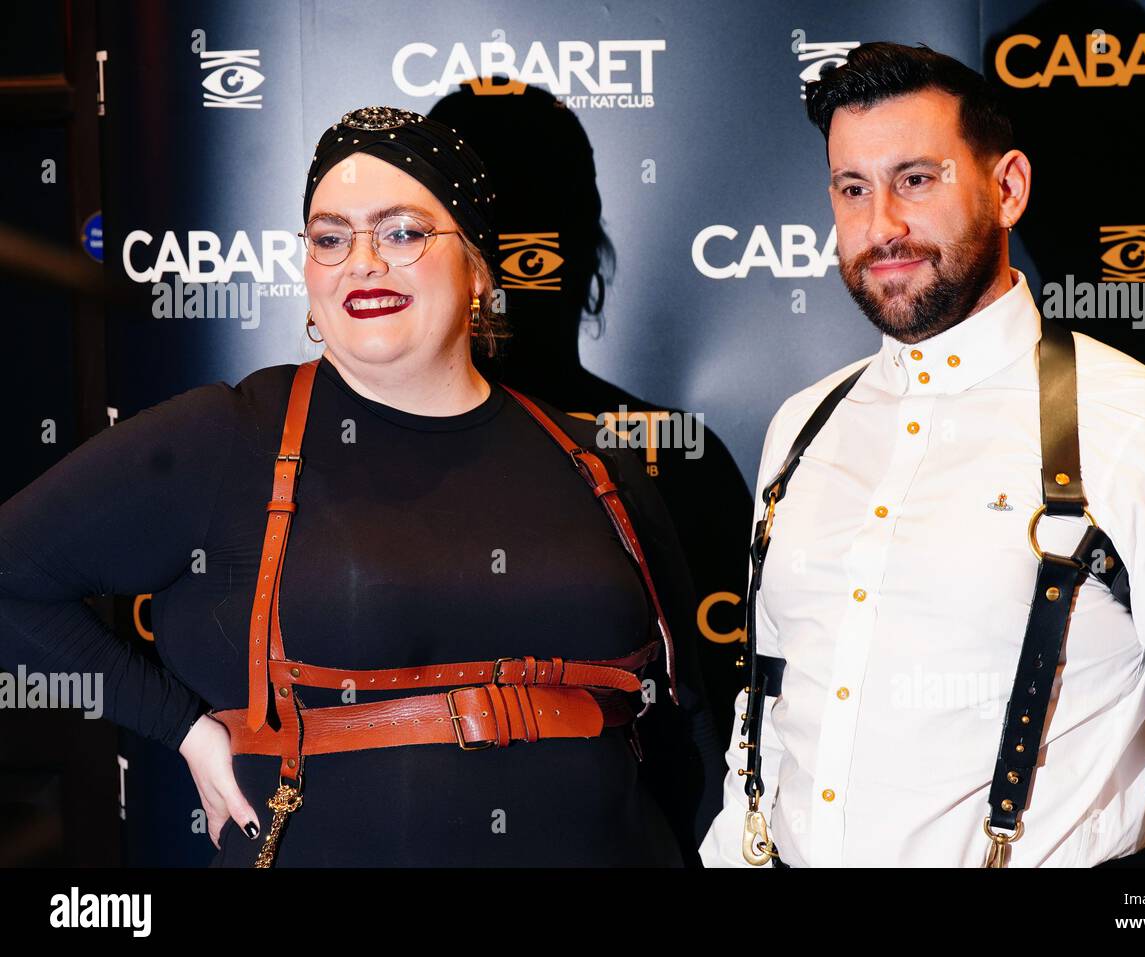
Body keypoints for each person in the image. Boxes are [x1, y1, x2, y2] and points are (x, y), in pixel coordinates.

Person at [0, 105, 720, 867]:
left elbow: (690, 727)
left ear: (477, 262)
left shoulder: (594, 461)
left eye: (402, 232)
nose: (363, 262)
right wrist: (183, 726)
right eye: (331, 237)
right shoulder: (232, 436)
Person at [699, 43, 1145, 867]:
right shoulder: (803, 429)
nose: (883, 226)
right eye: (852, 188)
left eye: (916, 178)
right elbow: (765, 709)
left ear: (1008, 187)